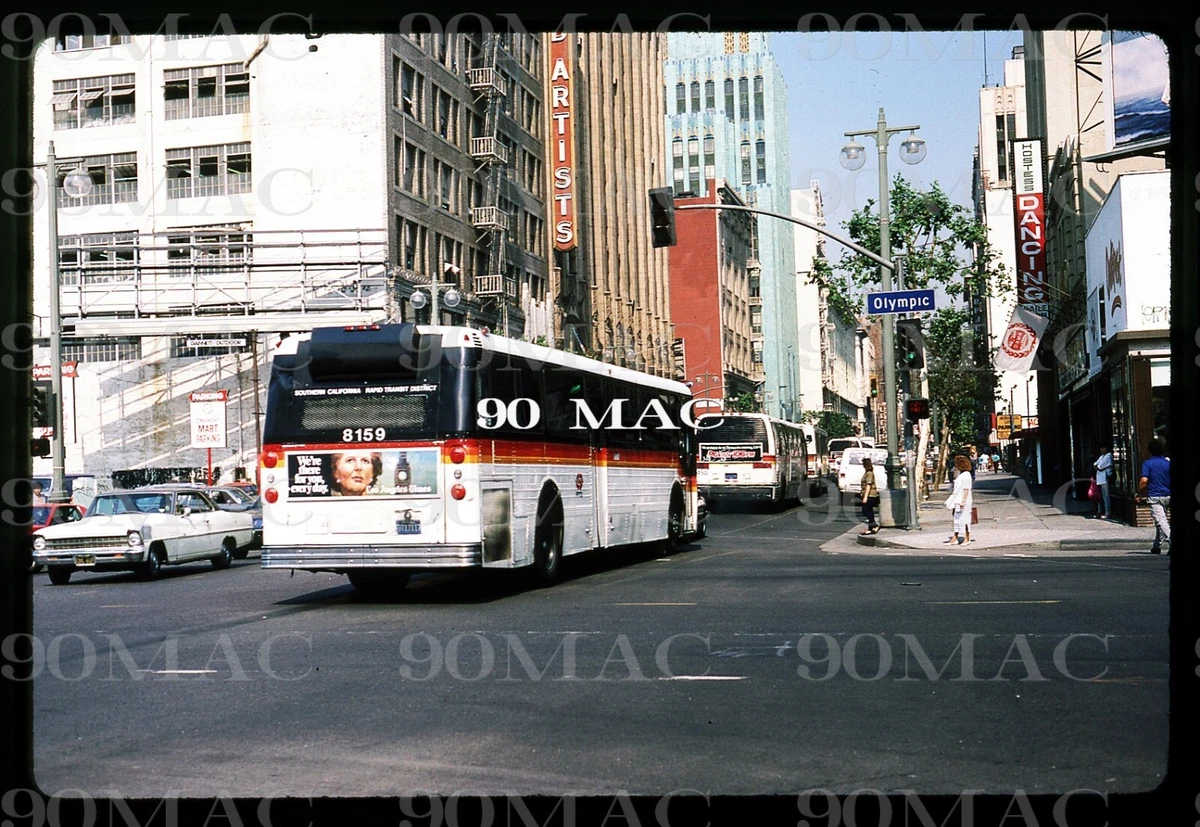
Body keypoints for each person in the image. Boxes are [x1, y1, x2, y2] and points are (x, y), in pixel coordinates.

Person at [1137, 439, 1170, 555]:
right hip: (1168, 495)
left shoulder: (1148, 464)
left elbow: (1144, 481)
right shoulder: (1168, 463)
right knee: (1159, 522)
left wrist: (1139, 494)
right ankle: (1157, 545)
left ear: (1150, 451)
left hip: (1155, 496)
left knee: (1161, 521)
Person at [945, 455, 974, 545]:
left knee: (965, 519)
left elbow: (966, 489)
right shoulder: (961, 474)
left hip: (963, 500)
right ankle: (955, 538)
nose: (955, 466)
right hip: (957, 499)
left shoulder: (966, 475)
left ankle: (967, 538)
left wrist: (963, 501)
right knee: (956, 519)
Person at [858, 457, 880, 535]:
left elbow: (868, 485)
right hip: (869, 494)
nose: (863, 466)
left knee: (865, 511)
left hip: (871, 495)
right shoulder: (867, 473)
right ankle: (871, 528)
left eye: (863, 464)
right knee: (870, 511)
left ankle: (874, 525)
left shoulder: (869, 473)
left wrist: (865, 496)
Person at [1092, 444, 1113, 518]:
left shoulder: (1108, 456)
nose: (1102, 449)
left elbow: (1099, 466)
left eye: (1104, 448)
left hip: (1105, 478)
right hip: (1100, 479)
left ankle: (1107, 512)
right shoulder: (1102, 457)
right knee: (1100, 496)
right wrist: (1096, 466)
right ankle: (1100, 511)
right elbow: (1094, 464)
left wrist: (1097, 467)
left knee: (1106, 496)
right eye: (1101, 448)